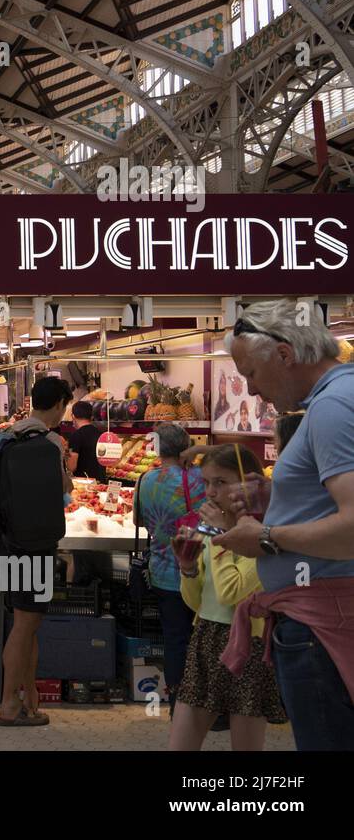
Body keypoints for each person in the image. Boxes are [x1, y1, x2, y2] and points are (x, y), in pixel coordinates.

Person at [212, 300, 354, 750]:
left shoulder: (334, 407)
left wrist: (267, 537)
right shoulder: (336, 400)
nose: (251, 390)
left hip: (321, 627)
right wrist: (276, 500)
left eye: (250, 373)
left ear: (285, 355)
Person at [168, 443, 287, 750]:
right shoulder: (210, 528)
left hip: (249, 644)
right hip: (205, 638)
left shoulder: (263, 533)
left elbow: (232, 592)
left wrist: (221, 539)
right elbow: (198, 603)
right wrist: (187, 567)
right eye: (206, 482)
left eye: (220, 482)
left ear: (249, 481)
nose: (210, 492)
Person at [0, 376, 74, 727]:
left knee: (27, 621)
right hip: (38, 545)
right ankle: (9, 704)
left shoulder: (9, 435)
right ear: (58, 404)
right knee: (26, 623)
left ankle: (29, 698)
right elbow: (65, 488)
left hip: (10, 541)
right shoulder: (52, 442)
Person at [136, 423, 207, 704]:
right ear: (186, 446)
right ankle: (204, 700)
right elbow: (235, 456)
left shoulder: (145, 480)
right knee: (204, 639)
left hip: (163, 571)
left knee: (175, 640)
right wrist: (201, 450)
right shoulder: (200, 477)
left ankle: (179, 702)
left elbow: (139, 522)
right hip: (199, 571)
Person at [66, 401, 107, 482]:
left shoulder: (76, 436)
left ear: (73, 416)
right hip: (100, 482)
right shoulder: (101, 434)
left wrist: (66, 452)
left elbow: (71, 467)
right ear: (91, 417)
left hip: (84, 483)